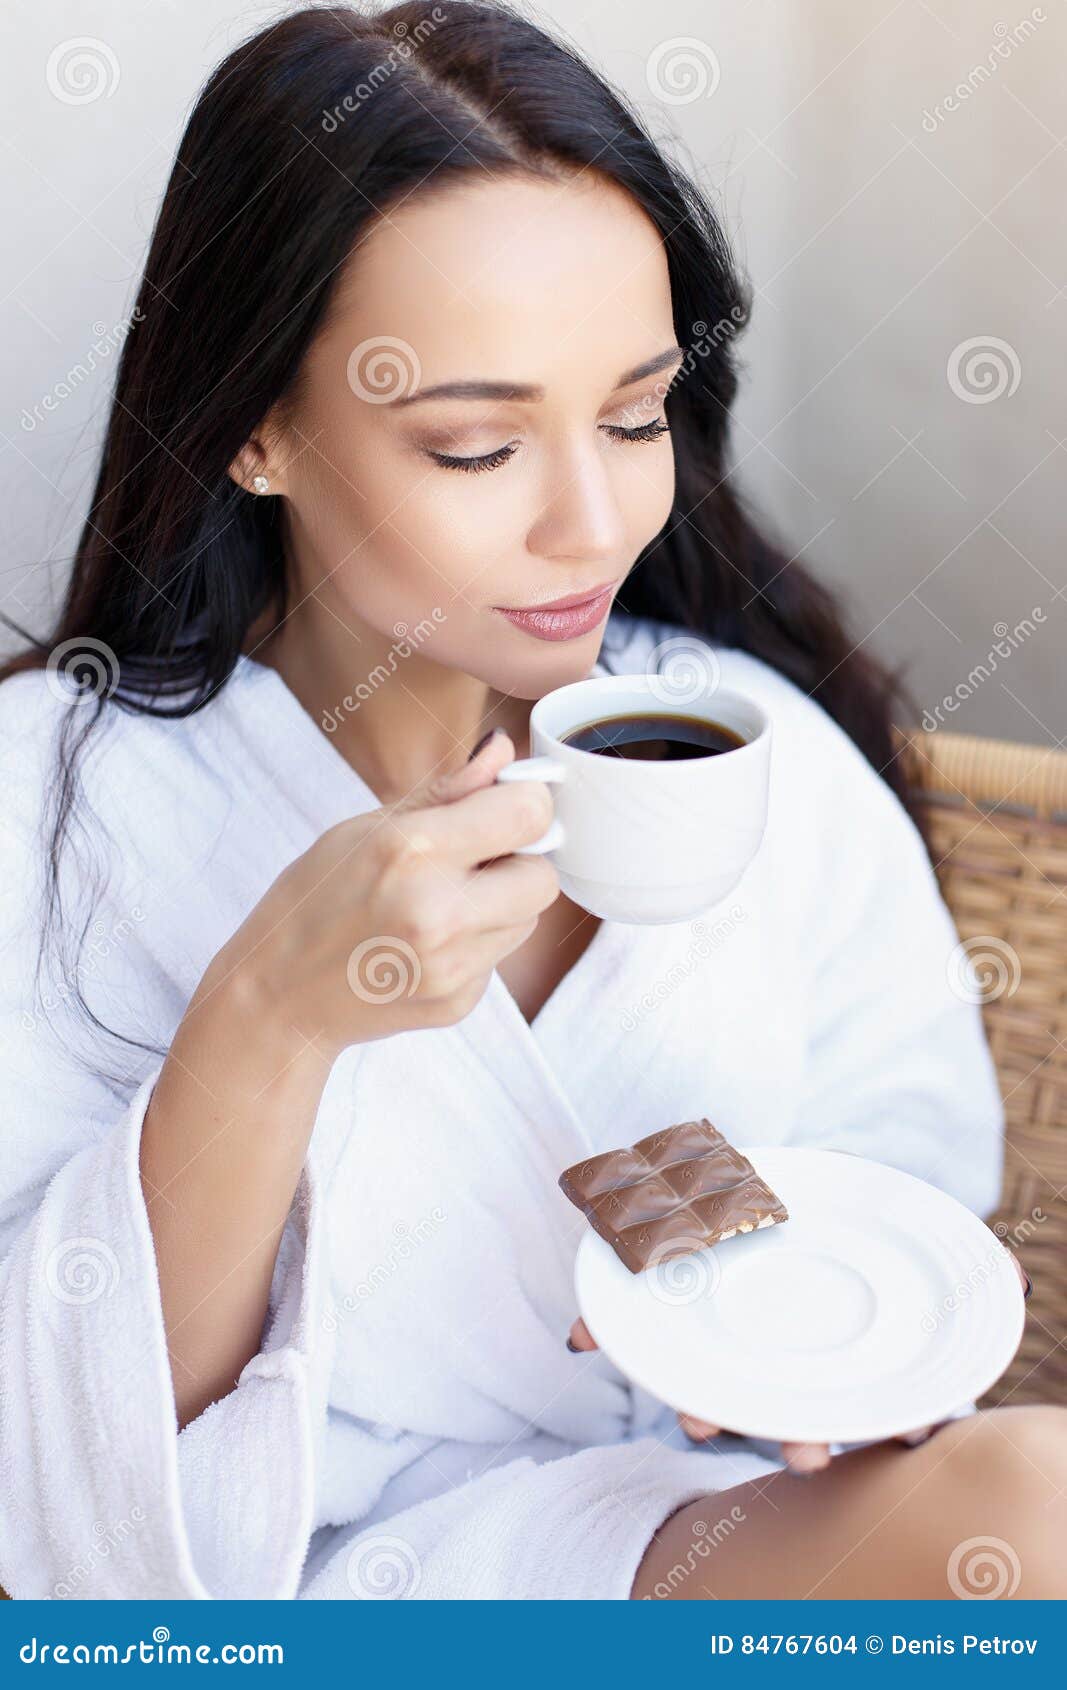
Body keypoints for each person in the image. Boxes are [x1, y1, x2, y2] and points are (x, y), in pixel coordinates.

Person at [0, 2, 1062, 1602]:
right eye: (479, 447)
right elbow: (67, 1490)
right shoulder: (61, 810)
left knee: (1029, 1509)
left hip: (674, 1545)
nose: (594, 521)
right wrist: (272, 1011)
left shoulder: (751, 746)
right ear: (256, 428)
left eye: (634, 418)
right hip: (307, 1598)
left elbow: (909, 1211)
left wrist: (824, 1365)